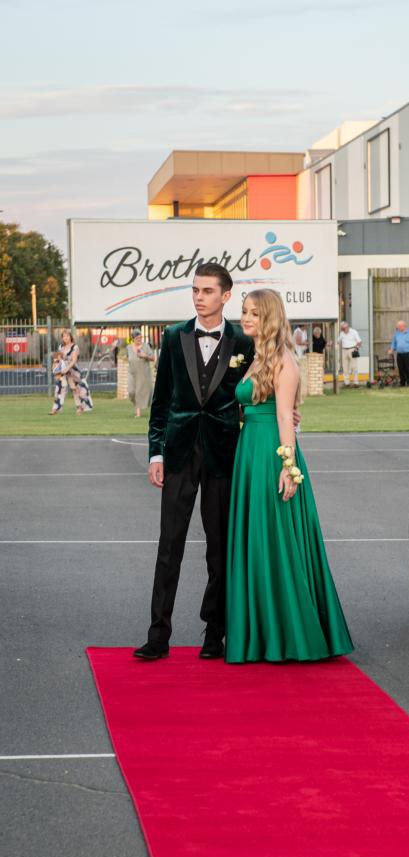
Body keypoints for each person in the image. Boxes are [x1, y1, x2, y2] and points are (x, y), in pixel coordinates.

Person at [133, 264, 255, 661]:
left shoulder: (243, 342)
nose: (199, 297)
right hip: (179, 453)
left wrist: (286, 413)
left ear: (226, 296)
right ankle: (157, 635)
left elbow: (260, 388)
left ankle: (213, 634)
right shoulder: (173, 337)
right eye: (195, 290)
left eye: (207, 291)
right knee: (169, 545)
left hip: (224, 454)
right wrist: (156, 452)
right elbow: (161, 401)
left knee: (219, 548)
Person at [225, 289, 353, 662]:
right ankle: (262, 634)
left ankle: (292, 634)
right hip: (249, 452)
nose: (246, 318)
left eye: (253, 313)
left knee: (275, 541)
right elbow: (249, 407)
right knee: (258, 542)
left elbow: (284, 417)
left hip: (269, 455)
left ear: (269, 317)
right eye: (244, 312)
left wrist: (288, 468)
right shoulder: (254, 359)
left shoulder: (284, 361)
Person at [49, 329, 93, 415]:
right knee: (60, 387)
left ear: (70, 337)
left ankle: (80, 407)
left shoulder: (75, 347)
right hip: (63, 371)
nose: (65, 338)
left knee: (75, 389)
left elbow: (74, 360)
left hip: (73, 371)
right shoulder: (60, 347)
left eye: (67, 336)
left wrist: (67, 368)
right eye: (64, 336)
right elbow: (58, 358)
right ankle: (56, 408)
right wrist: (56, 366)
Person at [127, 328, 155, 418]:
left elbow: (153, 358)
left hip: (143, 373)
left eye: (140, 338)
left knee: (139, 392)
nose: (139, 340)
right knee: (131, 392)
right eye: (138, 338)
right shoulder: (128, 347)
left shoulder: (145, 346)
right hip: (132, 372)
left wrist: (145, 356)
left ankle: (138, 413)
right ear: (133, 338)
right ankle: (137, 405)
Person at [388, 320, 409, 387]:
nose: (397, 327)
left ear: (403, 326)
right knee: (401, 369)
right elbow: (394, 343)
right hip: (399, 354)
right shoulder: (397, 334)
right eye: (397, 326)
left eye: (398, 326)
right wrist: (391, 350)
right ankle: (402, 383)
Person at [338, 321, 362, 387]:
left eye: (345, 328)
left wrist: (356, 348)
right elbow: (338, 341)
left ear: (347, 327)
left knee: (354, 367)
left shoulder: (354, 332)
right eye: (342, 329)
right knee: (345, 367)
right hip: (344, 350)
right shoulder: (342, 333)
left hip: (352, 349)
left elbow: (359, 341)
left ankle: (356, 383)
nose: (344, 330)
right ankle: (347, 383)